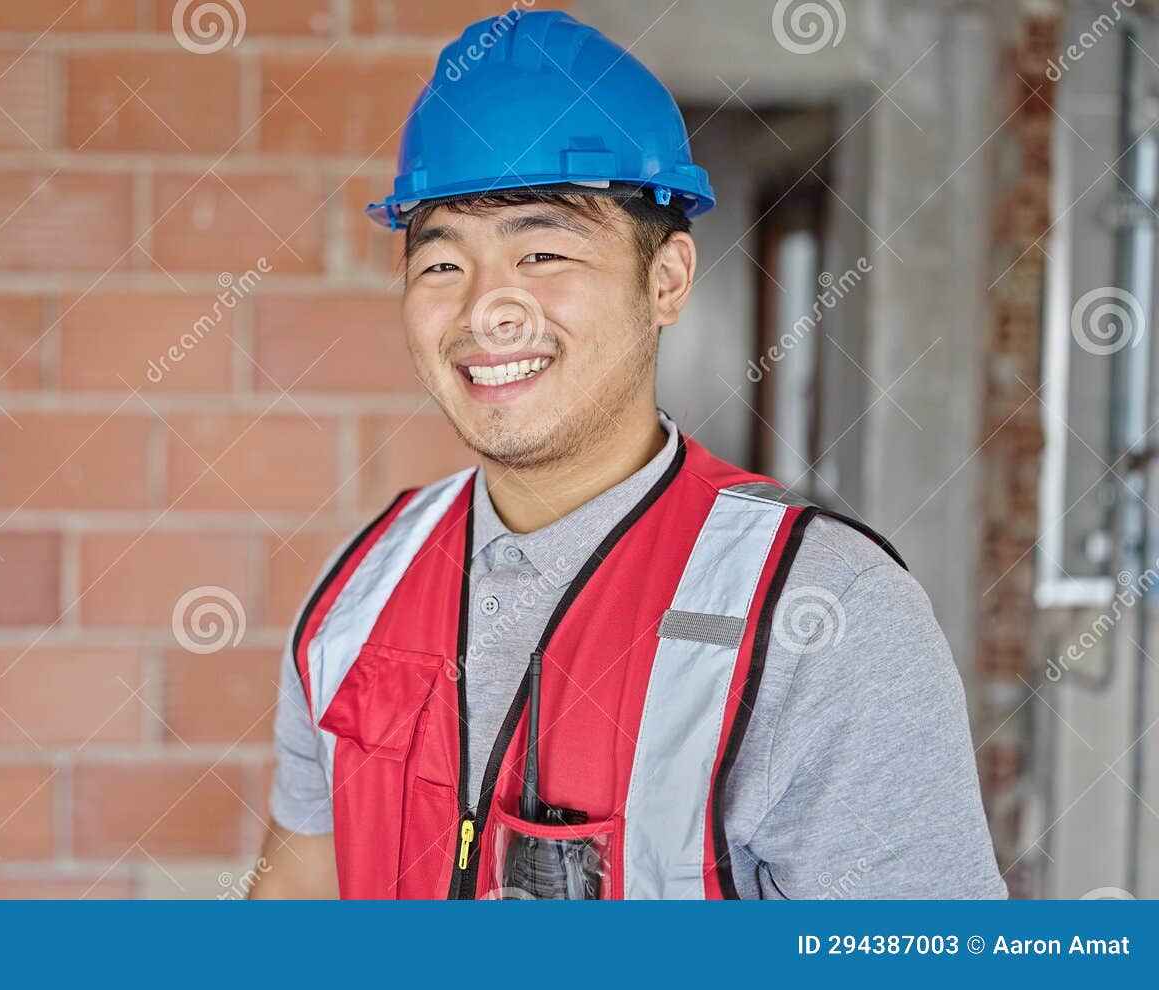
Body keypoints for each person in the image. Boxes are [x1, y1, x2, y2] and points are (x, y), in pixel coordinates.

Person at [249, 9, 1005, 900]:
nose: (488, 309)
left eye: (543, 250)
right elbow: (295, 897)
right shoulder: (358, 589)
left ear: (668, 279)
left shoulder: (822, 613)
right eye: (441, 264)